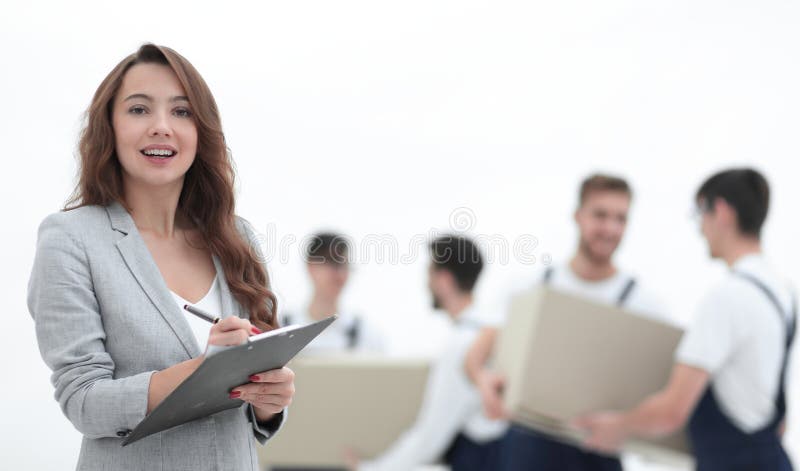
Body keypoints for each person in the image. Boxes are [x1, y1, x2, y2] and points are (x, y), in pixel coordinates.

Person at [27, 44, 294, 470]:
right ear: (109, 127)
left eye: (182, 112)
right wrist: (203, 371)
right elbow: (83, 402)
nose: (161, 127)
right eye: (138, 110)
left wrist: (269, 400)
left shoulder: (235, 236)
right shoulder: (71, 238)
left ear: (201, 130)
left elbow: (249, 403)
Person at [576, 168, 795, 470]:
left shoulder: (727, 297)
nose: (700, 229)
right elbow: (779, 421)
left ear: (720, 211)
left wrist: (617, 426)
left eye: (699, 215)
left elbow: (672, 411)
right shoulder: (782, 294)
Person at [465, 173, 669, 471]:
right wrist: (485, 384)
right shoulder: (531, 287)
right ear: (578, 216)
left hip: (598, 453)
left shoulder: (645, 304)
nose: (610, 228)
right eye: (600, 215)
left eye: (621, 219)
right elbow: (475, 359)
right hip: (527, 447)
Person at [356, 235, 506, 471]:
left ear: (444, 280)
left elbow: (430, 437)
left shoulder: (462, 343)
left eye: (429, 272)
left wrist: (370, 468)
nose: (427, 282)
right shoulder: (495, 328)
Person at [282, 232, 383, 354]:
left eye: (344, 265)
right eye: (333, 263)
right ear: (311, 266)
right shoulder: (281, 328)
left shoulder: (367, 334)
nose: (340, 275)